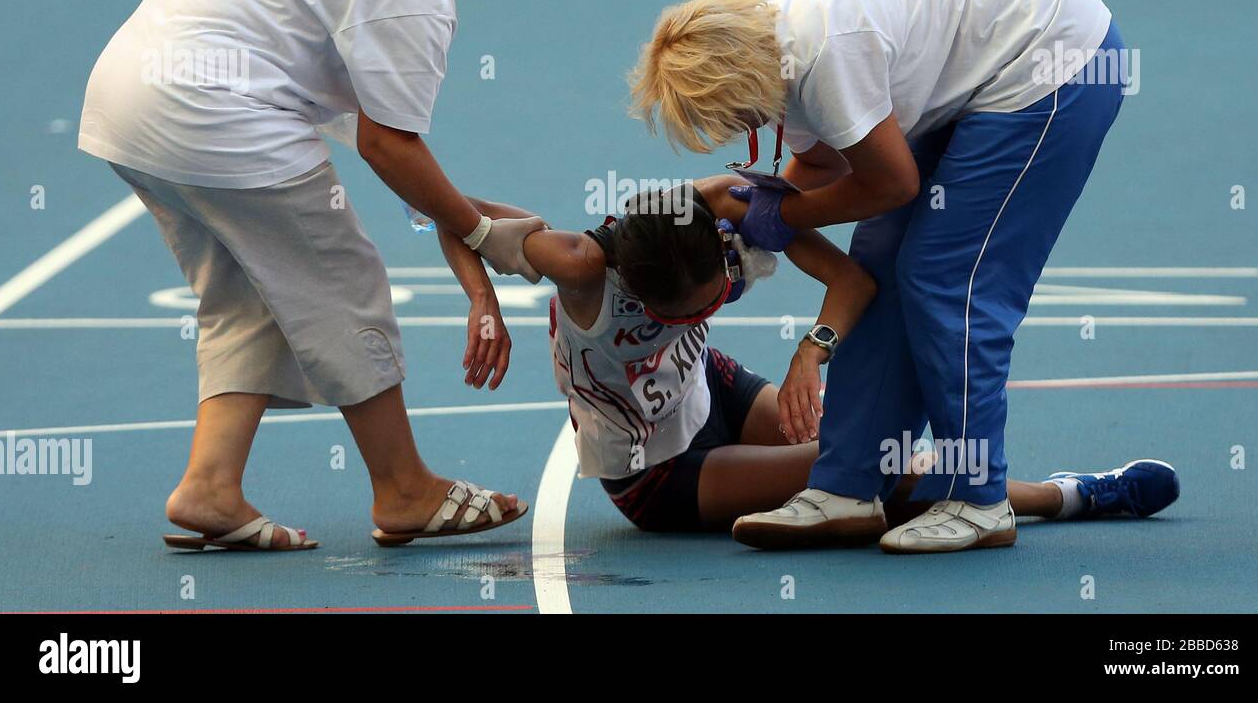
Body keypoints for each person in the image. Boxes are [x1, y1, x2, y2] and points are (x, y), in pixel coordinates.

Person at [76, 0, 577, 551]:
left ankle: (209, 486)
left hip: (128, 93)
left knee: (243, 294)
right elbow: (388, 145)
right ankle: (404, 487)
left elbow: (392, 149)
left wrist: (468, 230)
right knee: (343, 282)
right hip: (212, 111)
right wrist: (480, 238)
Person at [630, 0, 1133, 552]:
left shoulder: (824, 53)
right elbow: (819, 167)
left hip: (1052, 61)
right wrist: (763, 209)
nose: (735, 130)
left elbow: (893, 184)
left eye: (731, 116)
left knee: (948, 278)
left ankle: (980, 499)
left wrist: (779, 213)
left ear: (744, 81)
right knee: (883, 263)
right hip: (975, 74)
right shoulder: (770, 42)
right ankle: (846, 486)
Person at [436, 178, 1177, 540]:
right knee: (871, 466)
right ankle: (1075, 494)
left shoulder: (724, 207)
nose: (708, 309)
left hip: (715, 390)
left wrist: (810, 353)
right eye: (688, 311)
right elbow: (443, 208)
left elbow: (853, 280)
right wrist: (483, 299)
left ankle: (997, 495)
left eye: (715, 296)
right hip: (654, 472)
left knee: (856, 461)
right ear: (643, 293)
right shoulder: (578, 265)